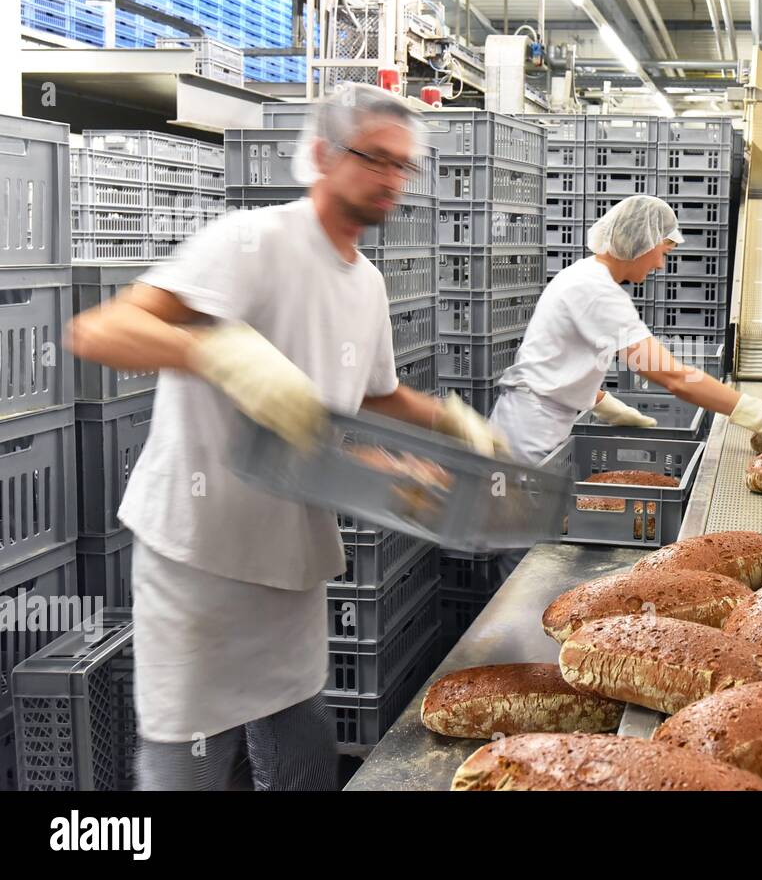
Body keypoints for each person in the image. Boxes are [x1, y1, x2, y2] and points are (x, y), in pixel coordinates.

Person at [64, 83, 501, 791]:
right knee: (193, 752)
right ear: (324, 156)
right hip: (201, 548)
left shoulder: (365, 283)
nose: (392, 178)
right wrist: (219, 354)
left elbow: (374, 395)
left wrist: (452, 424)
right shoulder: (250, 242)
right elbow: (101, 329)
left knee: (297, 730)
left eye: (403, 166)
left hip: (290, 543)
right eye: (375, 159)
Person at [489, 194, 762, 464]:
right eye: (662, 251)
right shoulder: (596, 291)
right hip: (530, 436)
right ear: (638, 242)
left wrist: (606, 404)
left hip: (539, 422)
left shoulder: (585, 276)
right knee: (521, 544)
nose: (659, 264)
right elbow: (674, 377)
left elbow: (558, 359)